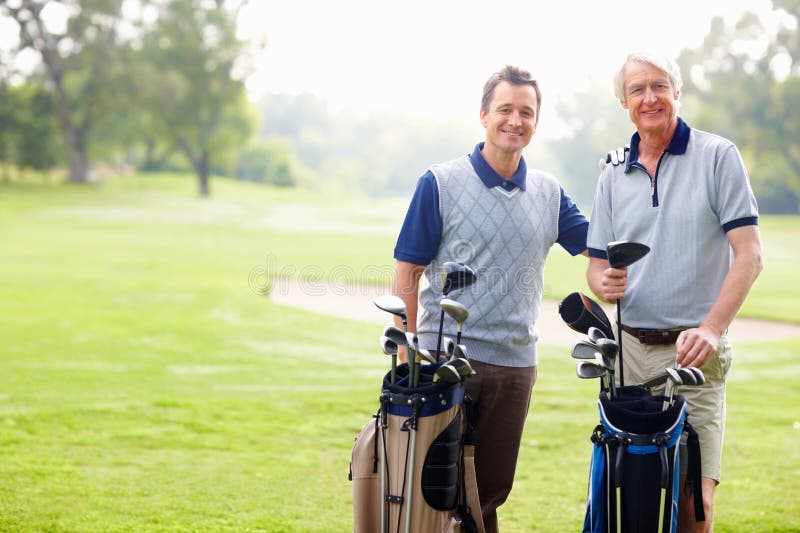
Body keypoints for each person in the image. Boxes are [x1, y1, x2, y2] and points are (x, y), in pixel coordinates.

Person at [391, 65, 589, 531]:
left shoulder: (549, 192)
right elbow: (407, 271)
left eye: (527, 112)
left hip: (516, 366)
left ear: (536, 121)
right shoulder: (439, 182)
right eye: (505, 109)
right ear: (484, 114)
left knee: (489, 492)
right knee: (434, 490)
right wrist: (406, 349)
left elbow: (596, 247)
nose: (515, 121)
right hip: (444, 360)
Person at [586, 52, 763, 532]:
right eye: (638, 89)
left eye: (660, 86)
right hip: (629, 354)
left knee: (692, 502)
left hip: (694, 357)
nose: (650, 97)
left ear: (676, 93)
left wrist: (711, 328)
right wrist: (602, 281)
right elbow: (596, 265)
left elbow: (749, 255)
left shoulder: (717, 156)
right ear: (624, 102)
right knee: (628, 490)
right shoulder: (612, 171)